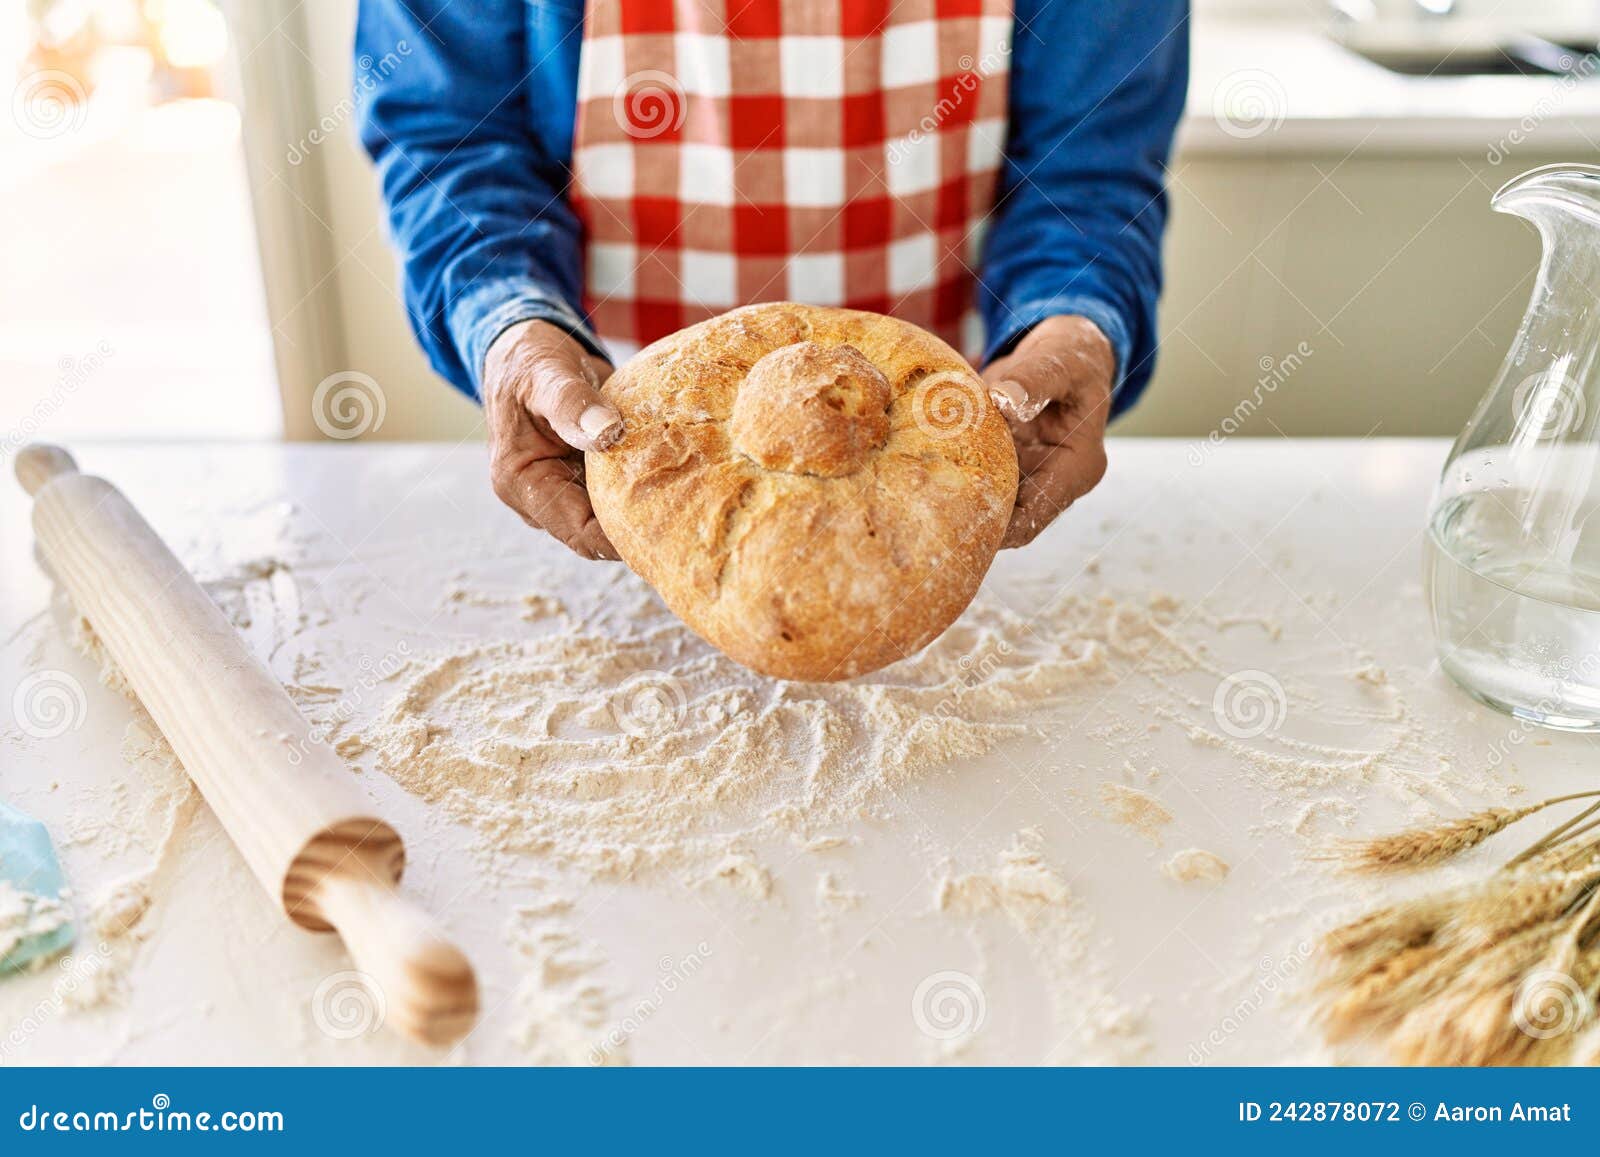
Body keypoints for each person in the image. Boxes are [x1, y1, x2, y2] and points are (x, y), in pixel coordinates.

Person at [358, 1, 1188, 559]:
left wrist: (1071, 320)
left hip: (955, 446)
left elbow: (1090, 157)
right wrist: (508, 319)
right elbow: (453, 133)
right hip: (600, 439)